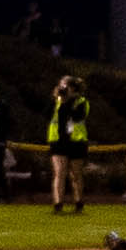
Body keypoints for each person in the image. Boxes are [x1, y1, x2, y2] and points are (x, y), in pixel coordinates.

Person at [45, 76, 93, 212]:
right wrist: (56, 99)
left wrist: (68, 101)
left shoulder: (81, 101)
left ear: (73, 88)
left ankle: (79, 202)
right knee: (60, 172)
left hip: (76, 140)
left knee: (76, 174)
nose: (63, 89)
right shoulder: (56, 101)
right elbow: (47, 114)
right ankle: (58, 203)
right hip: (58, 140)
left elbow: (77, 116)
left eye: (66, 86)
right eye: (61, 86)